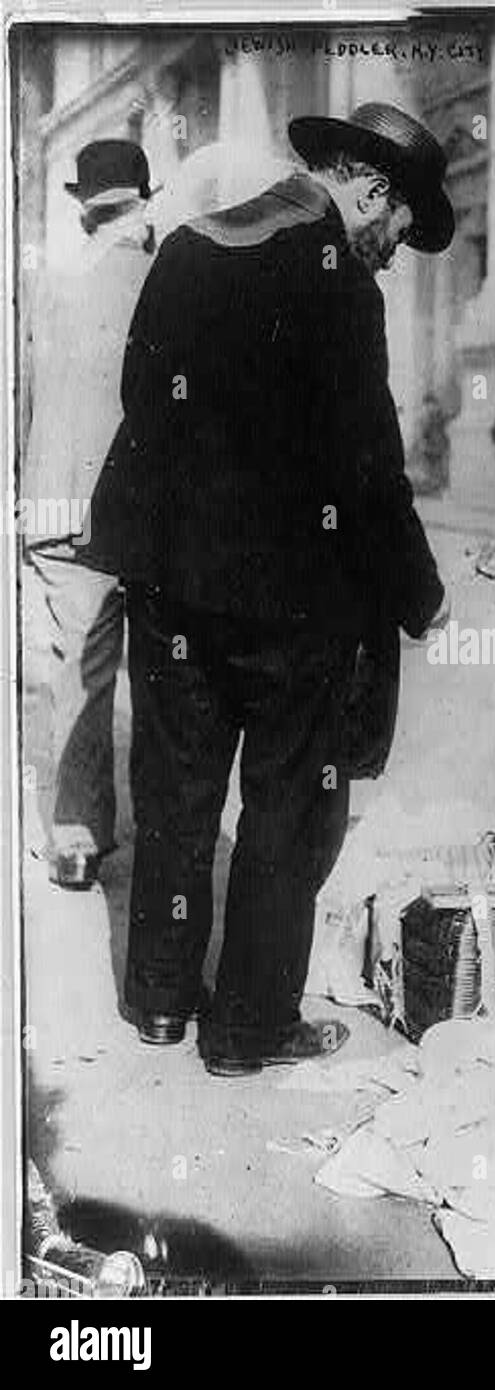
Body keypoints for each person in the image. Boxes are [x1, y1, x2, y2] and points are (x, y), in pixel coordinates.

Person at [83, 104, 452, 1076]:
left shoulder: (190, 247)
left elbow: (140, 398)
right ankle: (247, 1030)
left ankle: (159, 999)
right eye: (399, 228)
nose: (393, 251)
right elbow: (368, 469)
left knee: (176, 788)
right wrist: (421, 595)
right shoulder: (341, 286)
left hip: (170, 579)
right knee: (289, 805)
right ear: (371, 191)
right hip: (287, 601)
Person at [22, 140, 157, 889]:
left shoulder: (53, 284)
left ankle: (77, 839)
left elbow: (26, 394)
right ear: (143, 206)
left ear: (85, 208)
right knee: (167, 676)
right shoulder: (162, 276)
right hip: (146, 507)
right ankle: (167, 837)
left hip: (60, 505)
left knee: (80, 671)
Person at [408, 390, 451, 496]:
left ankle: (432, 485)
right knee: (433, 467)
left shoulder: (424, 412)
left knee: (430, 467)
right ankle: (434, 486)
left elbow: (420, 432)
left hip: (431, 444)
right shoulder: (433, 412)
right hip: (434, 444)